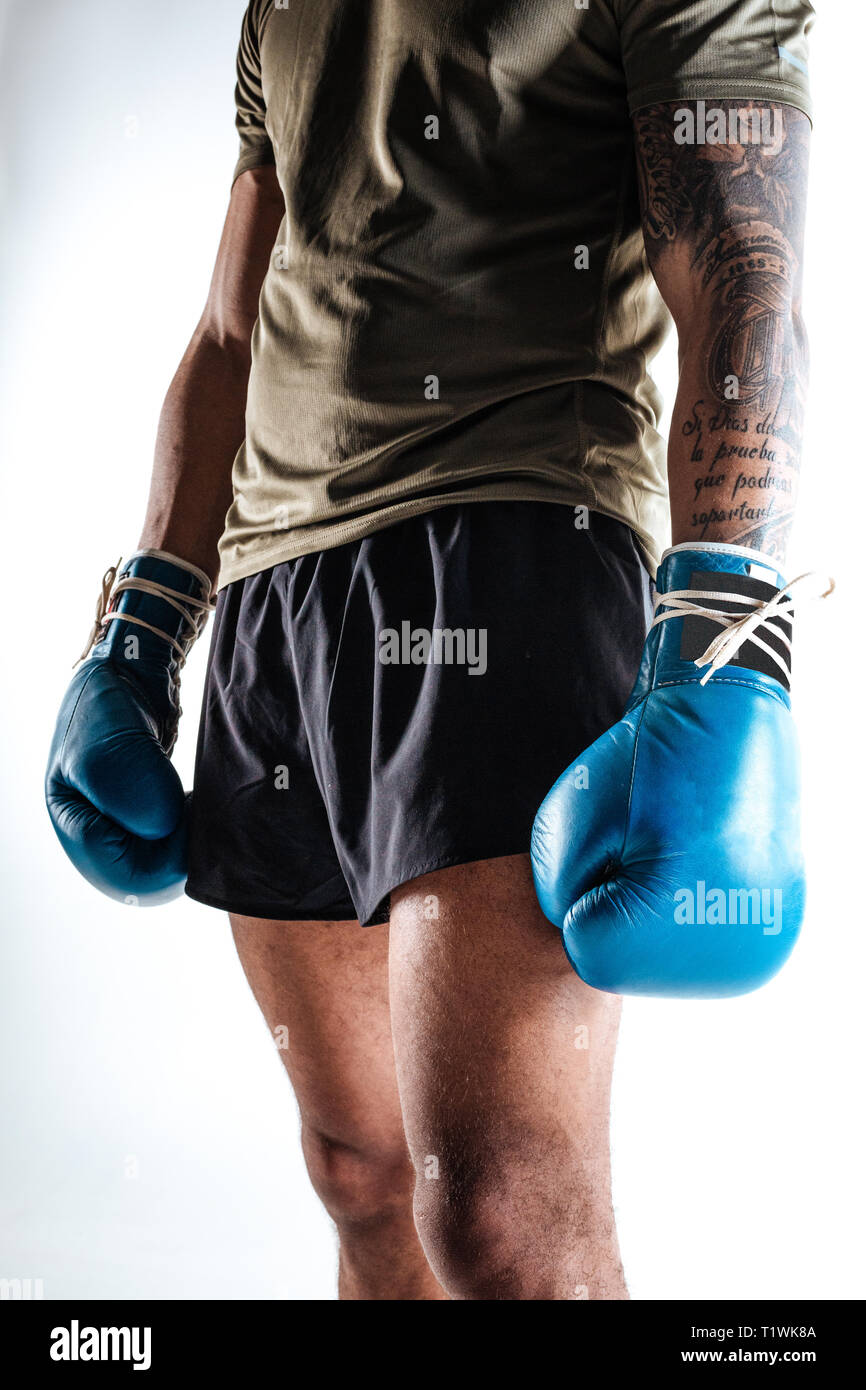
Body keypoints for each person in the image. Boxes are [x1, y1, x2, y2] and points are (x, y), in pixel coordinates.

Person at [46, 1, 814, 1299]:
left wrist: (722, 646)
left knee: (502, 1213)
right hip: (276, 592)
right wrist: (142, 628)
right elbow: (232, 329)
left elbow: (744, 263)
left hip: (514, 543)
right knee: (359, 1169)